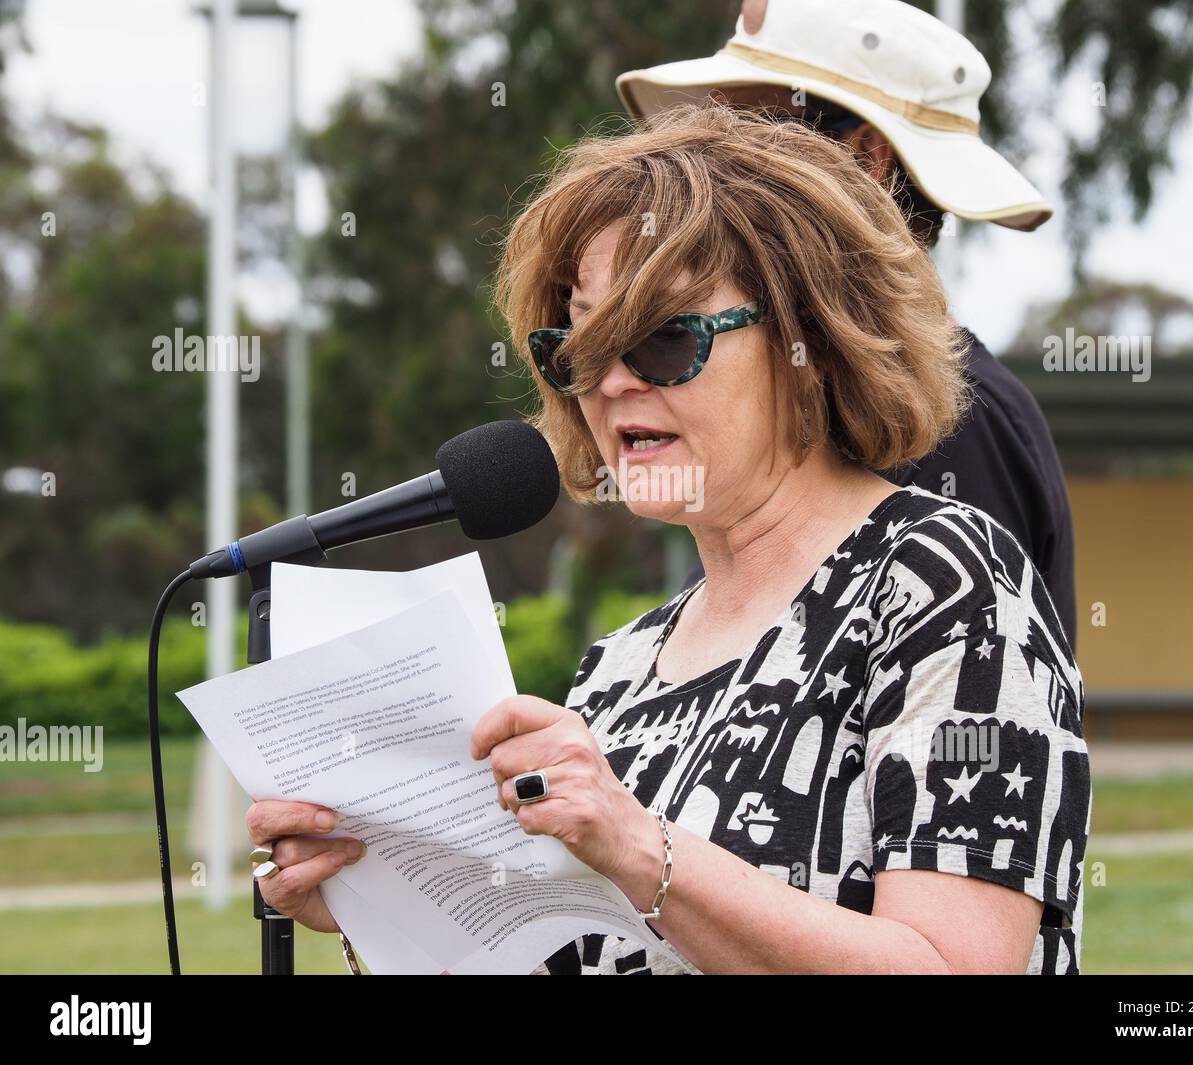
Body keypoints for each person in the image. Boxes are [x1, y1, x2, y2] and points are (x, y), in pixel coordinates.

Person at [245, 105, 1090, 975]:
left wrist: (638, 845)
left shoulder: (946, 587)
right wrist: (376, 902)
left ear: (813, 338)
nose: (609, 383)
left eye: (661, 339)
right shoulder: (620, 667)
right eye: (580, 343)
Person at [617, 0, 1078, 648]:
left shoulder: (951, 421)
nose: (711, 176)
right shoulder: (803, 405)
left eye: (748, 137)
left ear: (866, 158)